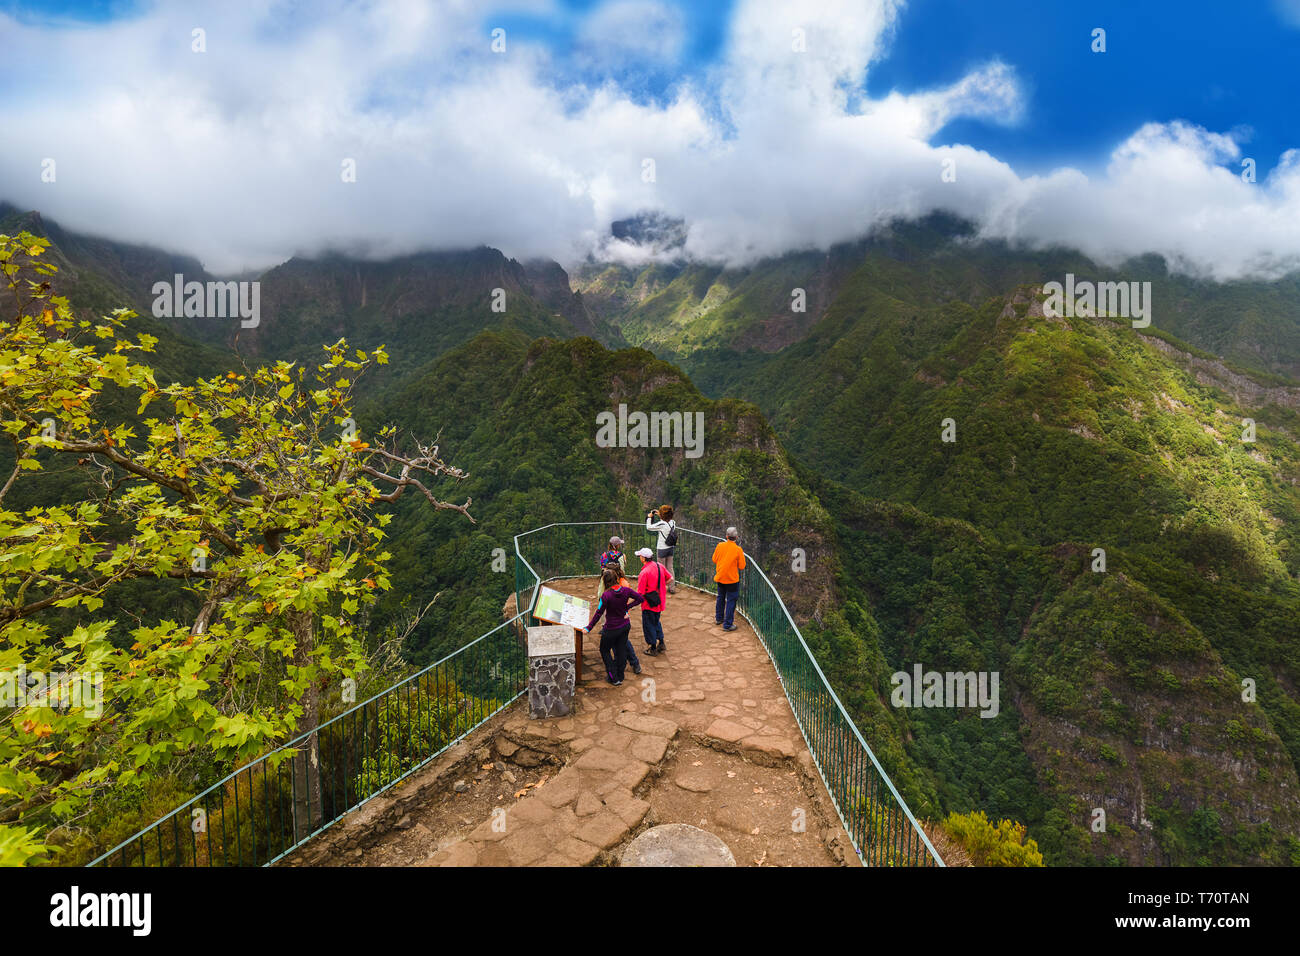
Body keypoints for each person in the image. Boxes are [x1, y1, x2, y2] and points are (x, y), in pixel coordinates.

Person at [585, 565, 644, 686]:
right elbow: (640, 598)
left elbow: (598, 613)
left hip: (611, 628)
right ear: (617, 578)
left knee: (604, 650)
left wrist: (588, 628)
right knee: (621, 649)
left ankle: (613, 677)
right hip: (625, 626)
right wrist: (627, 608)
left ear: (605, 582)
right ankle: (620, 676)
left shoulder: (605, 596)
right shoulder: (626, 591)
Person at [595, 536, 640, 673]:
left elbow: (599, 598)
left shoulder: (604, 560)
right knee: (622, 641)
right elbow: (638, 598)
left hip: (612, 622)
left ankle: (618, 667)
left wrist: (590, 625)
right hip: (621, 618)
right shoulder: (623, 583)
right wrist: (626, 607)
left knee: (613, 643)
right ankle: (632, 663)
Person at [634, 547, 673, 655]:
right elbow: (671, 579)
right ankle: (661, 642)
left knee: (648, 624)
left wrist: (631, 603)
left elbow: (640, 593)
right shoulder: (659, 566)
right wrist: (662, 586)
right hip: (659, 600)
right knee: (656, 621)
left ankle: (652, 647)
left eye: (640, 556)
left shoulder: (644, 572)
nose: (639, 558)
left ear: (643, 558)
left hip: (648, 603)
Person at [711, 526, 745, 631]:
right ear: (736, 537)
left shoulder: (720, 545)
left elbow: (714, 559)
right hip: (732, 580)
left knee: (721, 597)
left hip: (720, 577)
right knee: (731, 600)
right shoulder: (738, 550)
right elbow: (742, 566)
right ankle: (727, 625)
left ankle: (719, 618)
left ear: (726, 536)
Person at [646, 505, 678, 594]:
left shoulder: (662, 524)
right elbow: (665, 522)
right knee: (670, 568)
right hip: (670, 548)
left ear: (663, 516)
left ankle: (660, 588)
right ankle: (672, 588)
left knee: (660, 569)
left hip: (662, 549)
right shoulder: (673, 523)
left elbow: (649, 527)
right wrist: (660, 515)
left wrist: (649, 517)